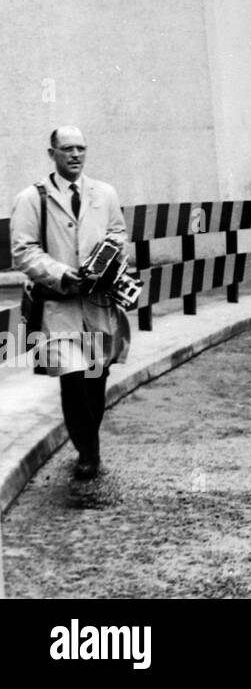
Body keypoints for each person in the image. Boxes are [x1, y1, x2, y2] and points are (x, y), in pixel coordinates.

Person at [10, 127, 131, 481]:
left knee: (95, 379)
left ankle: (87, 443)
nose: (75, 155)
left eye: (80, 149)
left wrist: (107, 260)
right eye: (67, 149)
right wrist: (62, 275)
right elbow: (23, 251)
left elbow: (119, 234)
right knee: (73, 379)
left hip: (97, 307)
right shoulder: (33, 199)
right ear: (52, 154)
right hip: (59, 310)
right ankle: (88, 453)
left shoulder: (104, 193)